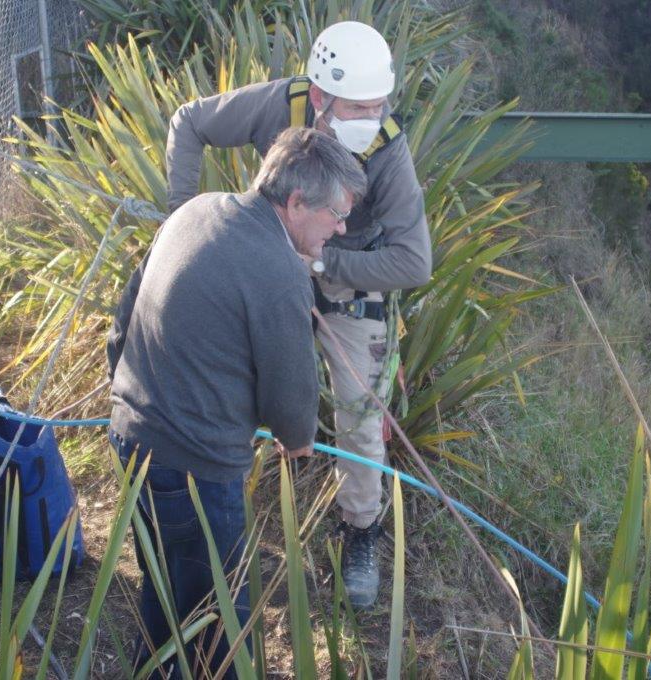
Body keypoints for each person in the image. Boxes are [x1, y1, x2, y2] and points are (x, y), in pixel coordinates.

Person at [164, 20, 432, 609]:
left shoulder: (388, 150)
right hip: (262, 268)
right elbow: (190, 122)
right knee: (227, 377)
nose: (370, 116)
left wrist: (324, 264)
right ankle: (226, 503)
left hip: (344, 287)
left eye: (378, 104)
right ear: (318, 98)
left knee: (361, 423)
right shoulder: (278, 104)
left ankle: (361, 530)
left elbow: (414, 261)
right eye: (356, 107)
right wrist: (180, 219)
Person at [107, 126, 366, 678]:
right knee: (221, 625)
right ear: (296, 202)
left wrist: (131, 394)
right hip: (196, 470)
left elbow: (124, 312)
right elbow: (292, 398)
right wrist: (299, 444)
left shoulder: (196, 210)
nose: (341, 229)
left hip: (130, 433)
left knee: (166, 589)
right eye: (335, 216)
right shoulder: (279, 272)